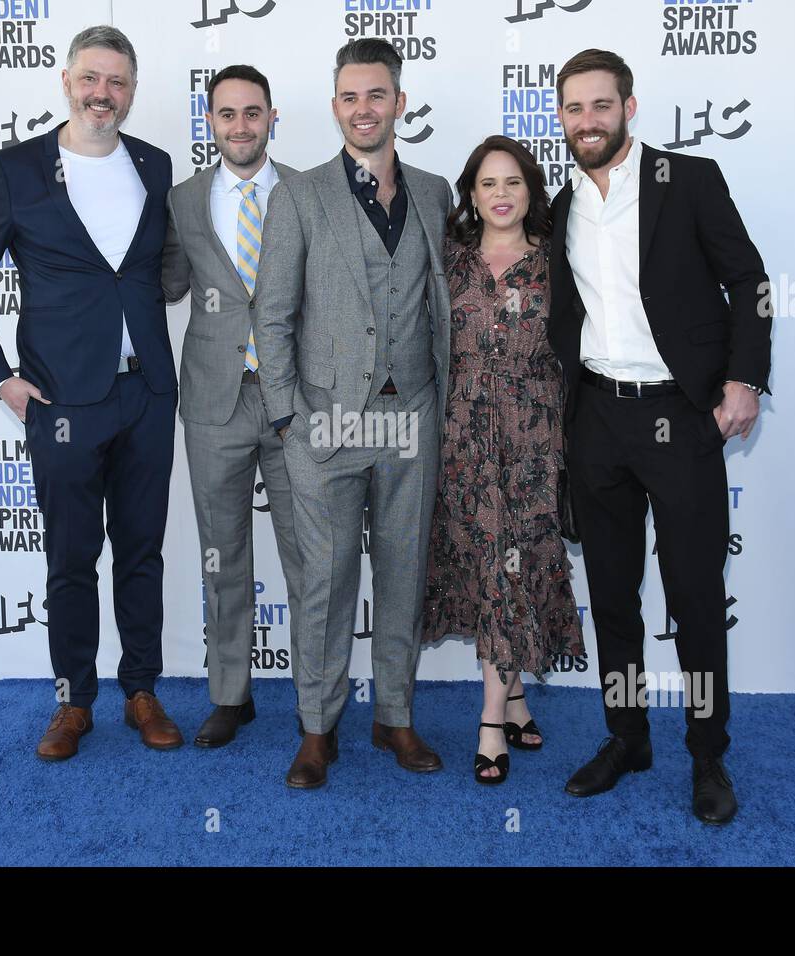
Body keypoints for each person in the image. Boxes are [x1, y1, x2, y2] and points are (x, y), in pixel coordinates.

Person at [548, 49, 772, 824]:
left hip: (680, 416)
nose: (588, 122)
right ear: (562, 118)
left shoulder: (690, 181)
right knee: (611, 598)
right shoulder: (558, 206)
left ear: (629, 108)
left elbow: (748, 279)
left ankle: (707, 755)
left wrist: (745, 379)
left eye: (600, 106)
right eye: (574, 110)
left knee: (695, 600)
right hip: (598, 420)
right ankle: (626, 734)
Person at [0, 25, 183, 760]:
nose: (101, 94)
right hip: (60, 403)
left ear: (132, 90)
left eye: (116, 81)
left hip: (146, 391)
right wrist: (0, 379)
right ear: (65, 80)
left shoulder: (154, 163)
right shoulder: (17, 169)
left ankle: (141, 690)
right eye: (90, 78)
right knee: (70, 558)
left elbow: (153, 270)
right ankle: (73, 700)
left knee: (142, 550)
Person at [254, 38, 452, 789]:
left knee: (403, 575)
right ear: (334, 105)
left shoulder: (435, 192)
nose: (363, 109)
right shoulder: (300, 194)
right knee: (325, 585)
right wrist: (287, 423)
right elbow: (271, 316)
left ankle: (394, 715)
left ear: (400, 103)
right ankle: (316, 728)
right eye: (349, 96)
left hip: (413, 423)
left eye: (377, 95)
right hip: (326, 427)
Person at [421, 136, 584, 785]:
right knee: (488, 568)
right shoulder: (451, 262)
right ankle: (508, 701)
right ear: (472, 194)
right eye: (488, 184)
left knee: (509, 571)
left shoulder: (555, 264)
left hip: (534, 445)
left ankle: (493, 717)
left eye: (512, 182)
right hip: (462, 441)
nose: (500, 195)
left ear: (530, 191)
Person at [161, 65, 303, 748]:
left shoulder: (310, 194)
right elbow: (160, 283)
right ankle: (229, 694)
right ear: (210, 122)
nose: (240, 126)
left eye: (252, 113)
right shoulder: (183, 201)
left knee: (312, 559)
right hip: (214, 402)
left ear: (272, 117)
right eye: (226, 114)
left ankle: (318, 703)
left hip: (296, 402)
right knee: (223, 556)